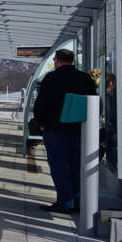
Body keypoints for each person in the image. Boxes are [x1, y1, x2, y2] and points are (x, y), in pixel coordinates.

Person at [33, 48, 97, 213]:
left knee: (59, 165)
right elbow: (92, 102)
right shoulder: (85, 78)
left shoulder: (52, 77)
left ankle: (65, 201)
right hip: (78, 129)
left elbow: (41, 103)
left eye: (54, 60)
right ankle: (77, 199)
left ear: (57, 60)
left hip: (55, 129)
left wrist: (40, 122)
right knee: (76, 164)